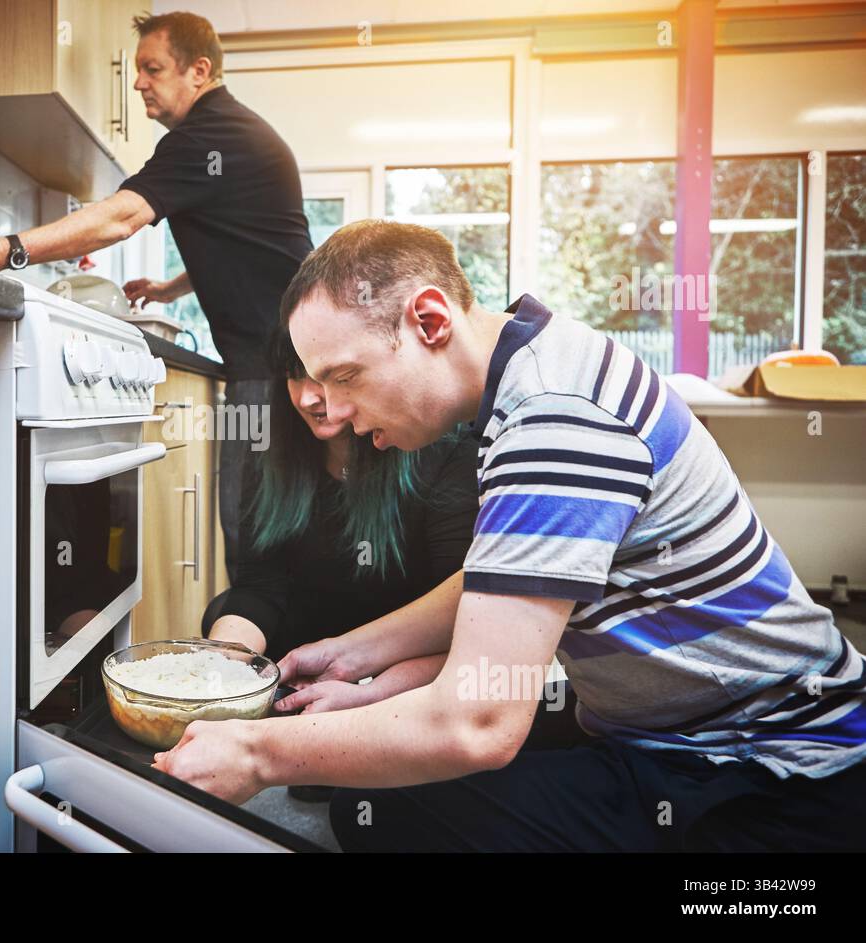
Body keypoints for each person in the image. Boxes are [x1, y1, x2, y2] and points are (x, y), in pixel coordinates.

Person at [153, 220, 866, 852]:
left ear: (430, 321)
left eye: (346, 377)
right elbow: (510, 568)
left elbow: (479, 722)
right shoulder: (535, 370)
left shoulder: (553, 420)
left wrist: (255, 751)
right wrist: (355, 652)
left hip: (772, 770)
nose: (332, 410)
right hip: (674, 730)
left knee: (392, 808)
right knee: (381, 788)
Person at [0, 11, 313, 583]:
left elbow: (122, 215)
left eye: (152, 68)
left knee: (253, 541)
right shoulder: (234, 131)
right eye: (136, 70)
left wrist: (7, 248)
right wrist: (171, 287)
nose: (139, 83)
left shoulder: (207, 136)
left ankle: (270, 667)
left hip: (272, 368)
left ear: (199, 71)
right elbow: (254, 240)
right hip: (289, 361)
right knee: (273, 538)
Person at [202, 328, 479, 718]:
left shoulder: (439, 448)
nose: (306, 396)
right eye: (294, 376)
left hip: (406, 647)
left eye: (322, 376)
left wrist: (366, 680)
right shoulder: (270, 453)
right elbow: (259, 585)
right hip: (308, 642)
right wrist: (219, 669)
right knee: (222, 618)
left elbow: (462, 613)